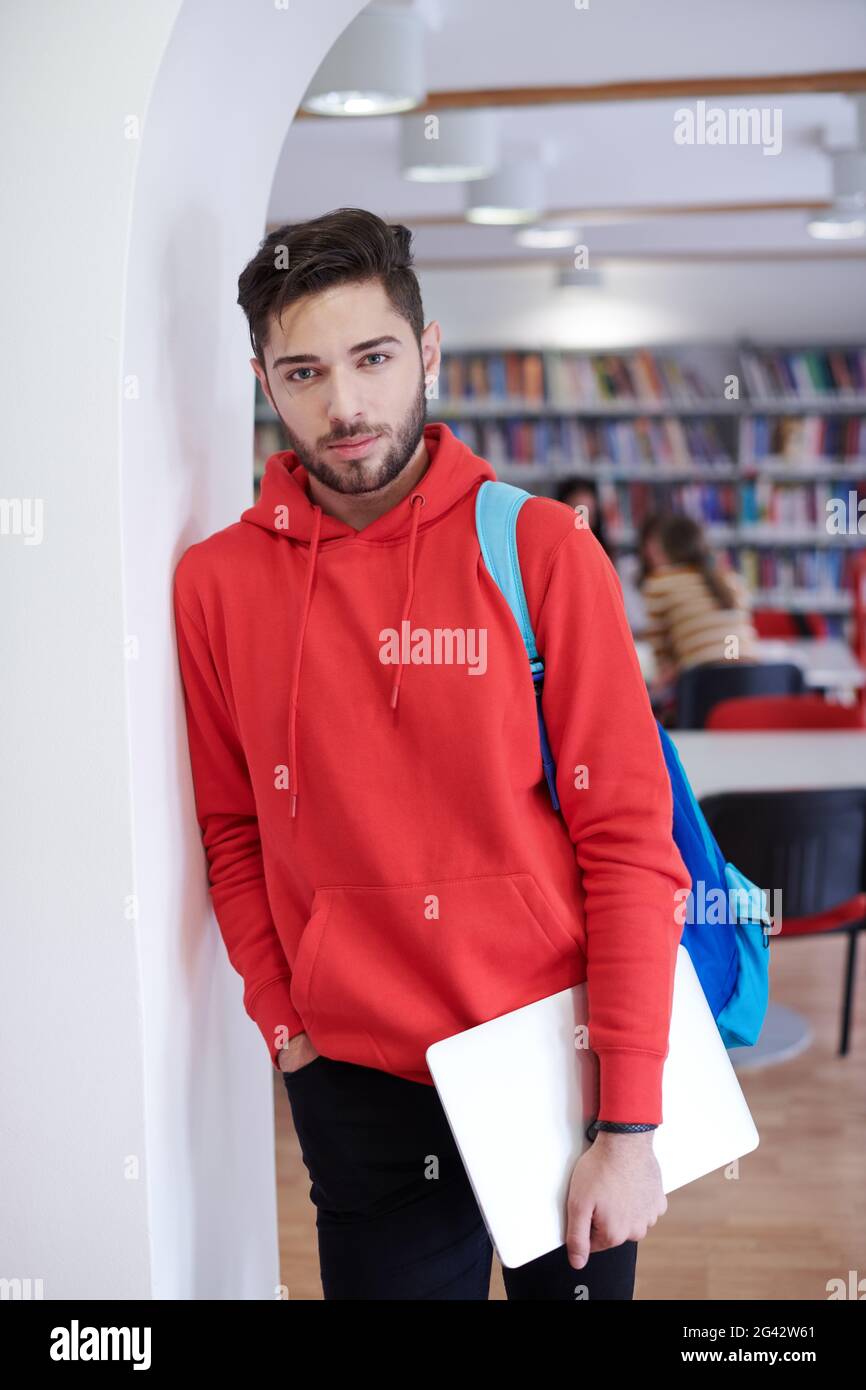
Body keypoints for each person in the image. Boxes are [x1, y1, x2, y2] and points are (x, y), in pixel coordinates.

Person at [172, 207, 691, 1301]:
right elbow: (230, 828)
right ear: (265, 382)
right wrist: (288, 1028)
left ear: (429, 352)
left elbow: (629, 843)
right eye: (303, 371)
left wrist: (631, 1118)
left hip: (556, 1056)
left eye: (372, 358)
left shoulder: (542, 549)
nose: (344, 404)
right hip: (354, 1080)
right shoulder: (215, 585)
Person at [638, 513, 759, 714]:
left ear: (664, 549)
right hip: (753, 686)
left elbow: (663, 662)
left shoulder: (659, 583)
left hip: (701, 694)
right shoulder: (731, 580)